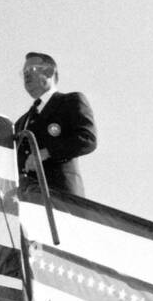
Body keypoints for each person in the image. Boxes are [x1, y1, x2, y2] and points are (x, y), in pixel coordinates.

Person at [13, 51, 96, 196]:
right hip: (28, 198)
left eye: (31, 70)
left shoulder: (70, 101)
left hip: (61, 195)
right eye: (23, 72)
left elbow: (87, 139)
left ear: (50, 71)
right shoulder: (21, 122)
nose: (26, 75)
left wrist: (47, 152)